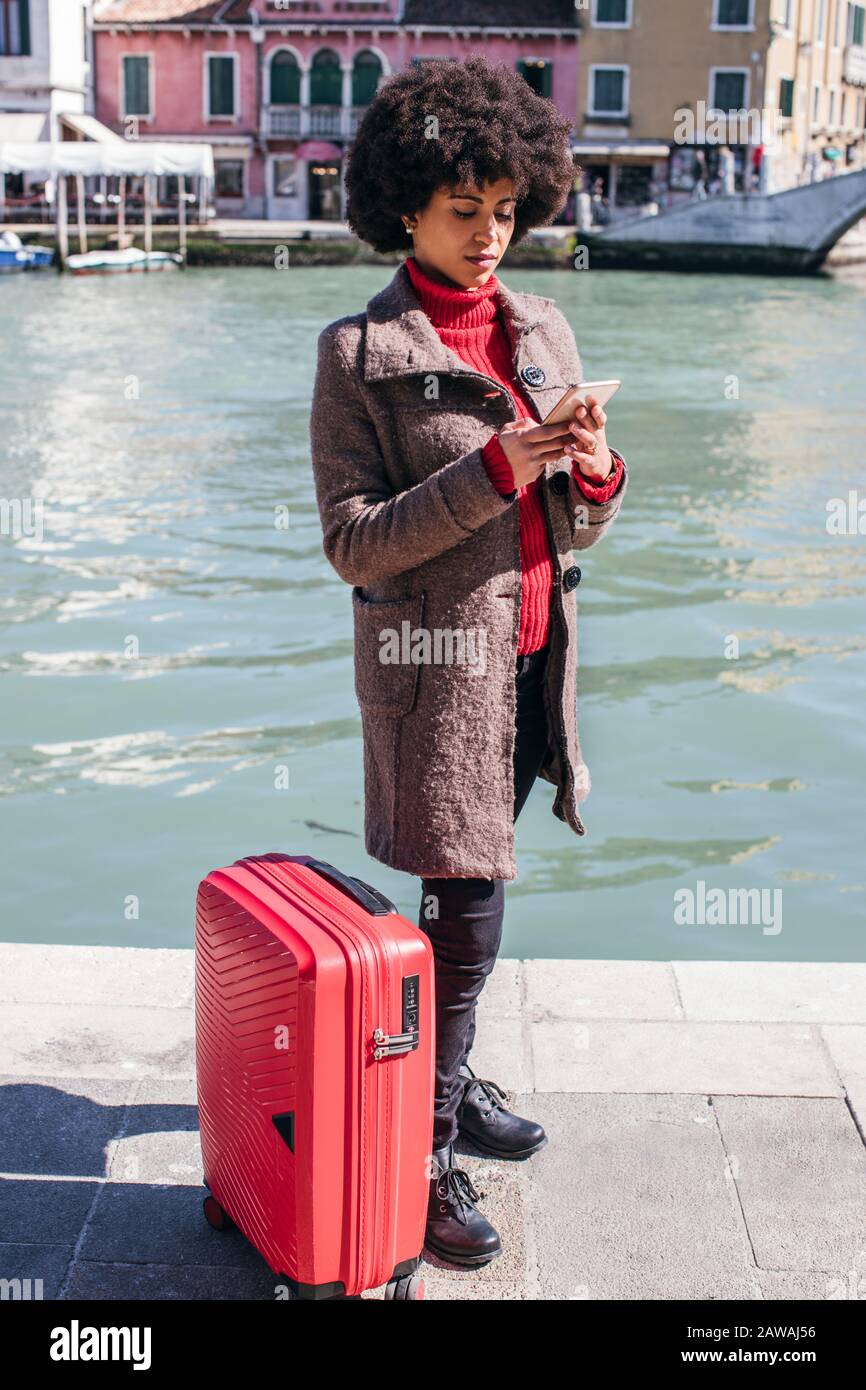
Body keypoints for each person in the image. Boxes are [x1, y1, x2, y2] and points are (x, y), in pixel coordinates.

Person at [309, 56, 628, 1268]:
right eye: (464, 212)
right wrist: (498, 466)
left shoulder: (539, 325)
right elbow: (354, 543)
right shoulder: (355, 355)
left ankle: (449, 1076)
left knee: (471, 904)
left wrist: (588, 469)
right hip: (436, 677)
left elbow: (581, 517)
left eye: (506, 209)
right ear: (405, 208)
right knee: (467, 916)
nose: (491, 236)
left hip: (532, 665)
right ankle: (420, 1151)